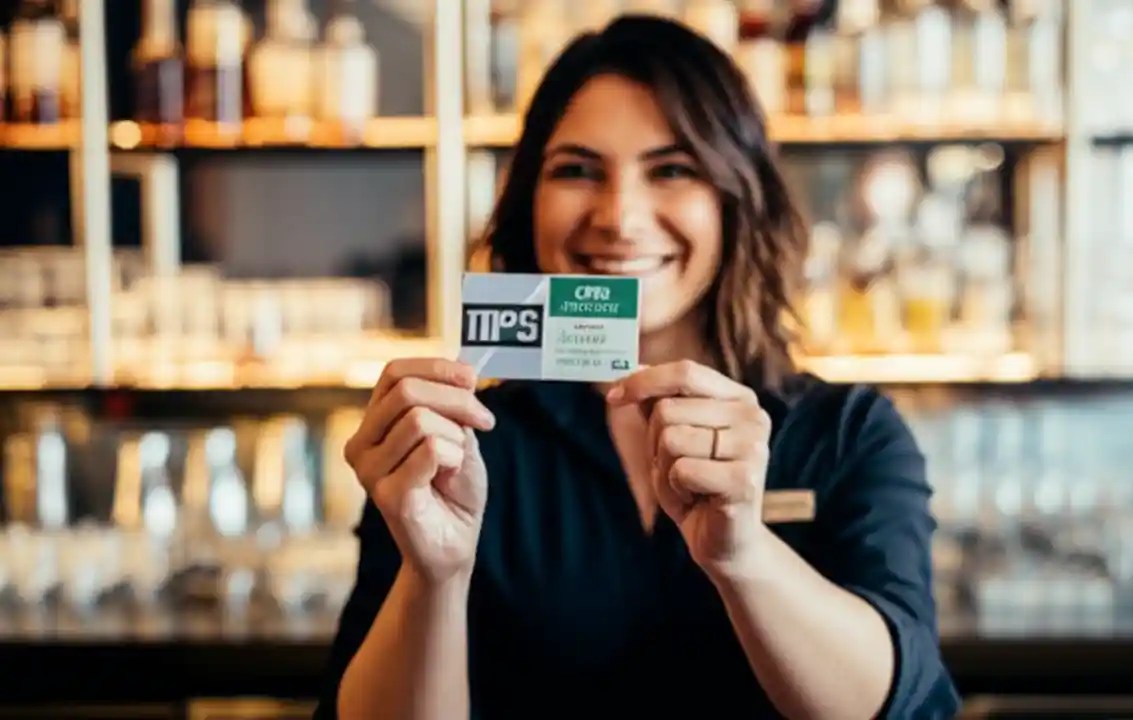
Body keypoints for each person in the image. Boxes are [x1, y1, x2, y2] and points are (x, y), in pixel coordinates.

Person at [314, 14, 959, 720]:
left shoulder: (847, 434)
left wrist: (742, 552)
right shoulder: (458, 442)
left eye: (673, 169)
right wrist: (432, 577)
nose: (620, 217)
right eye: (577, 170)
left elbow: (902, 702)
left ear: (736, 199)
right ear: (528, 200)